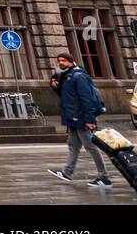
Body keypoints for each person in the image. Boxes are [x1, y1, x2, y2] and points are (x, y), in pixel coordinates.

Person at [47, 53, 111, 188]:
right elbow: (67, 97)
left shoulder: (79, 76)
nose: (61, 63)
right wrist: (56, 88)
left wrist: (89, 119)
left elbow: (86, 99)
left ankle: (104, 177)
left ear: (72, 61)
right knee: (73, 145)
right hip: (73, 118)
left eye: (64, 60)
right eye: (59, 61)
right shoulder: (67, 76)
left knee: (91, 146)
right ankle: (67, 172)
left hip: (81, 118)